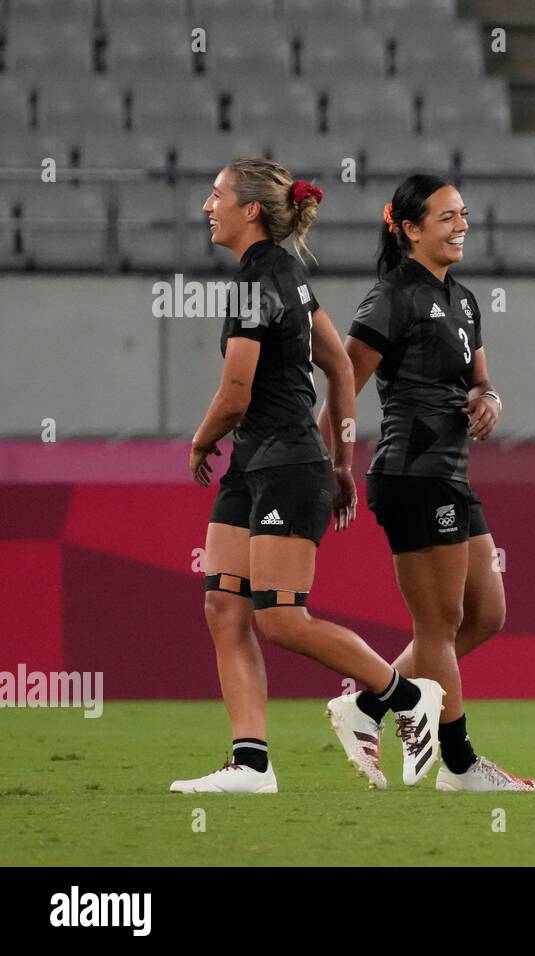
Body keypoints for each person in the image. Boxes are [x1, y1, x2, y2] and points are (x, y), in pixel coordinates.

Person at [171, 158, 442, 795]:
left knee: (282, 619)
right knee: (222, 607)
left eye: (217, 196)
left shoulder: (254, 285)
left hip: (285, 466)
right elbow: (341, 370)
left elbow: (236, 393)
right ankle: (251, 764)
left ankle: (404, 697)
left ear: (251, 211)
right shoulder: (286, 275)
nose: (207, 207)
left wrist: (200, 439)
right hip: (260, 466)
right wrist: (342, 462)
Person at [320, 173, 535, 792]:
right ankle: (460, 763)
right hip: (411, 473)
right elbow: (343, 385)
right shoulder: (391, 296)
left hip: (452, 474)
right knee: (439, 625)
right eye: (446, 217)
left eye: (463, 214)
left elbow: (479, 381)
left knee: (487, 615)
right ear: (410, 228)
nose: (461, 225)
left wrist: (489, 399)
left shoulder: (466, 300)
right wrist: (333, 465)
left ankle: (365, 707)